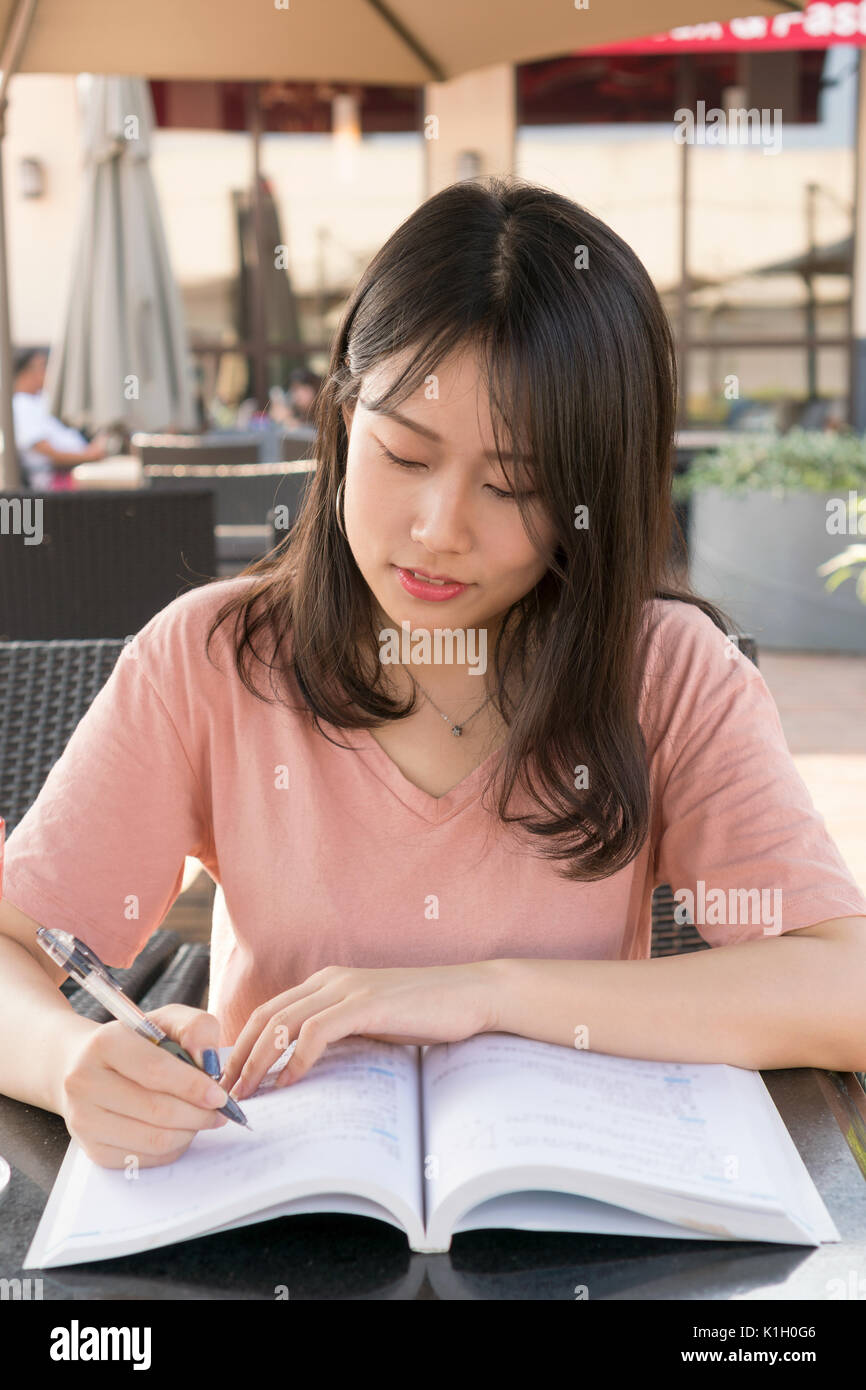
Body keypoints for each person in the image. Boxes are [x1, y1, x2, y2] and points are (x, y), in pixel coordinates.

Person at [1, 177, 865, 1174]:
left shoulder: (663, 674)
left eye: (513, 485)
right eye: (404, 455)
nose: (438, 530)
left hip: (566, 1222)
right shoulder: (211, 661)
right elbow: (17, 947)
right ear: (340, 419)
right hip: (279, 1212)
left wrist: (489, 990)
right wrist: (71, 1058)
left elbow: (842, 989)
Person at [11, 347, 109, 490]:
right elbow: (51, 455)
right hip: (59, 481)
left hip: (78, 471)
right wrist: (91, 456)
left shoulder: (40, 399)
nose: (49, 372)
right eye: (44, 366)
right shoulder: (20, 405)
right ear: (25, 372)